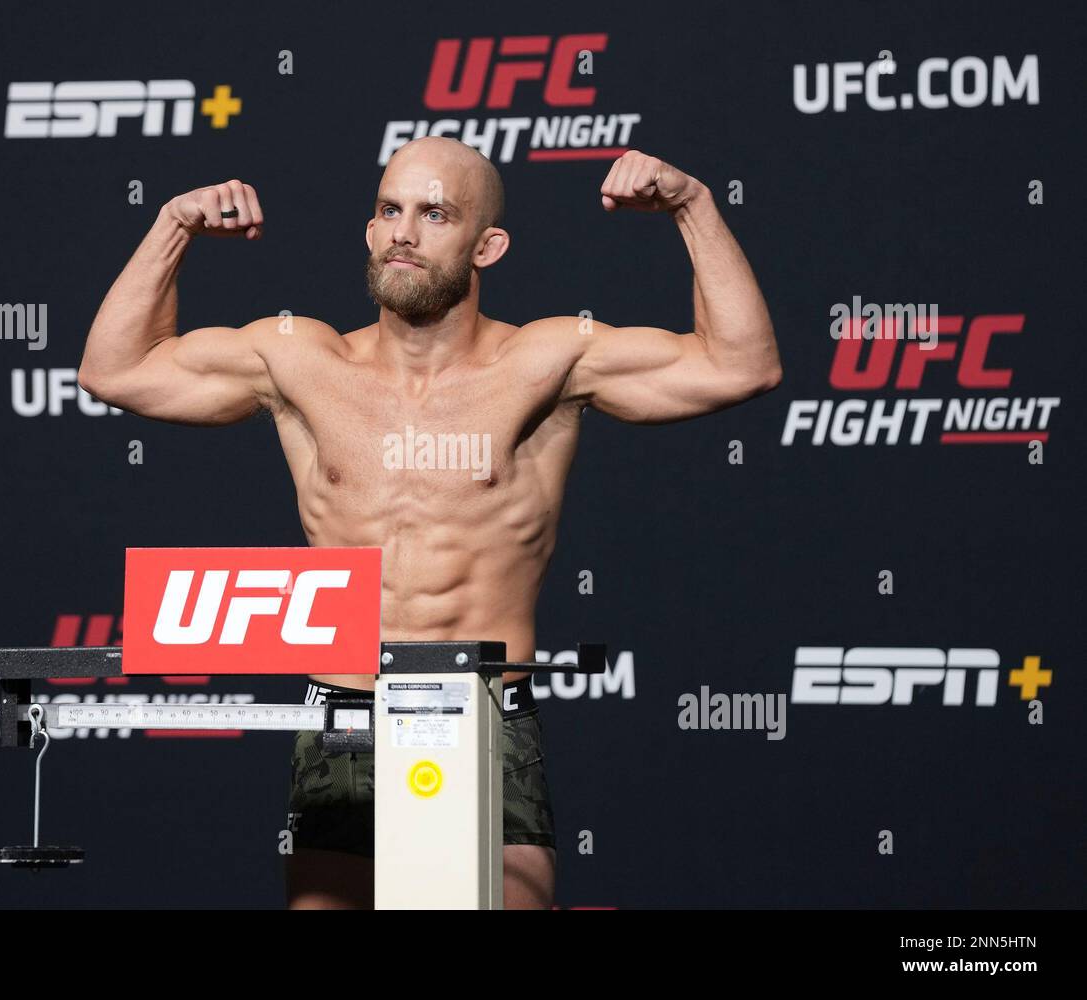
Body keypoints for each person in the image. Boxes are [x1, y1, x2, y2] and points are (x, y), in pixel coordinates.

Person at [78, 136, 782, 909]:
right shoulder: (302, 362)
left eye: (435, 213)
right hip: (346, 712)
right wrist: (173, 225)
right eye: (390, 210)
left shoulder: (545, 361)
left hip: (485, 711)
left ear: (488, 245)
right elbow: (116, 369)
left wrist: (693, 205)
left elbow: (741, 365)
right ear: (371, 230)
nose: (405, 231)